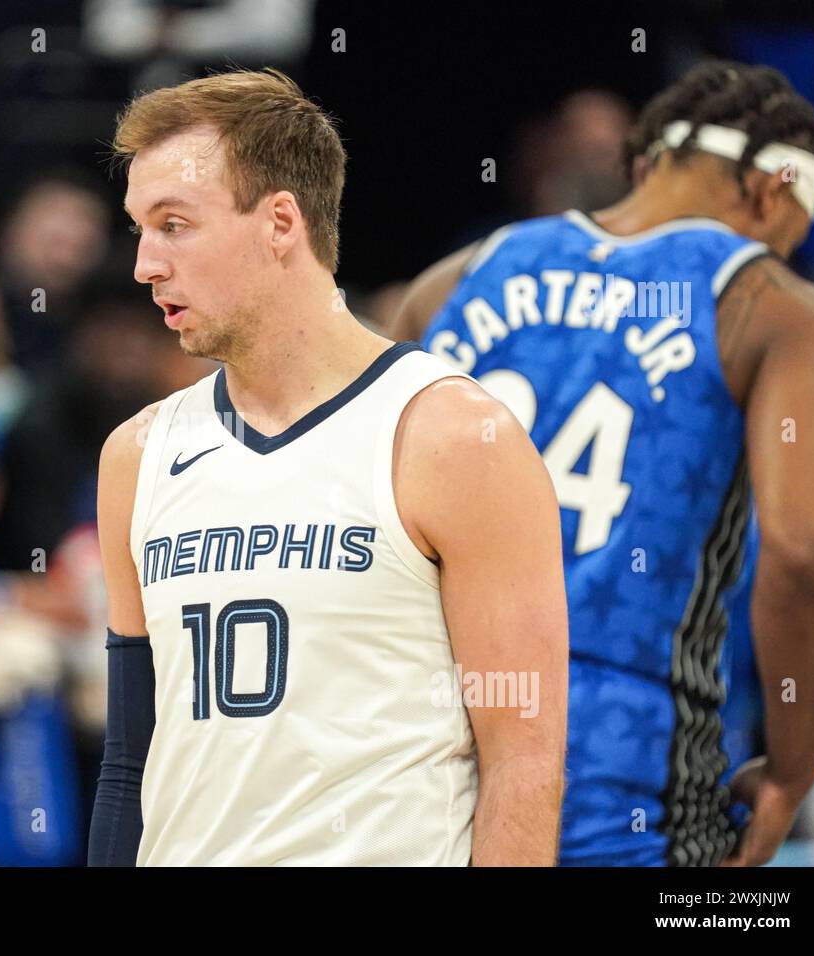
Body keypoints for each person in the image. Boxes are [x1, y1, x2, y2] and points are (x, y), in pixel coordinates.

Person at [87, 69, 569, 866]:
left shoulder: (448, 434)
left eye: (174, 225)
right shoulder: (135, 456)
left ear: (281, 221)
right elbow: (127, 762)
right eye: (139, 228)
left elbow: (523, 759)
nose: (144, 264)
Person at [392, 60, 814, 867]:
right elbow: (804, 553)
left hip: (418, 767)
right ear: (775, 194)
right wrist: (792, 769)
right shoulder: (773, 307)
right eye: (788, 238)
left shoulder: (446, 285)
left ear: (645, 164)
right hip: (622, 788)